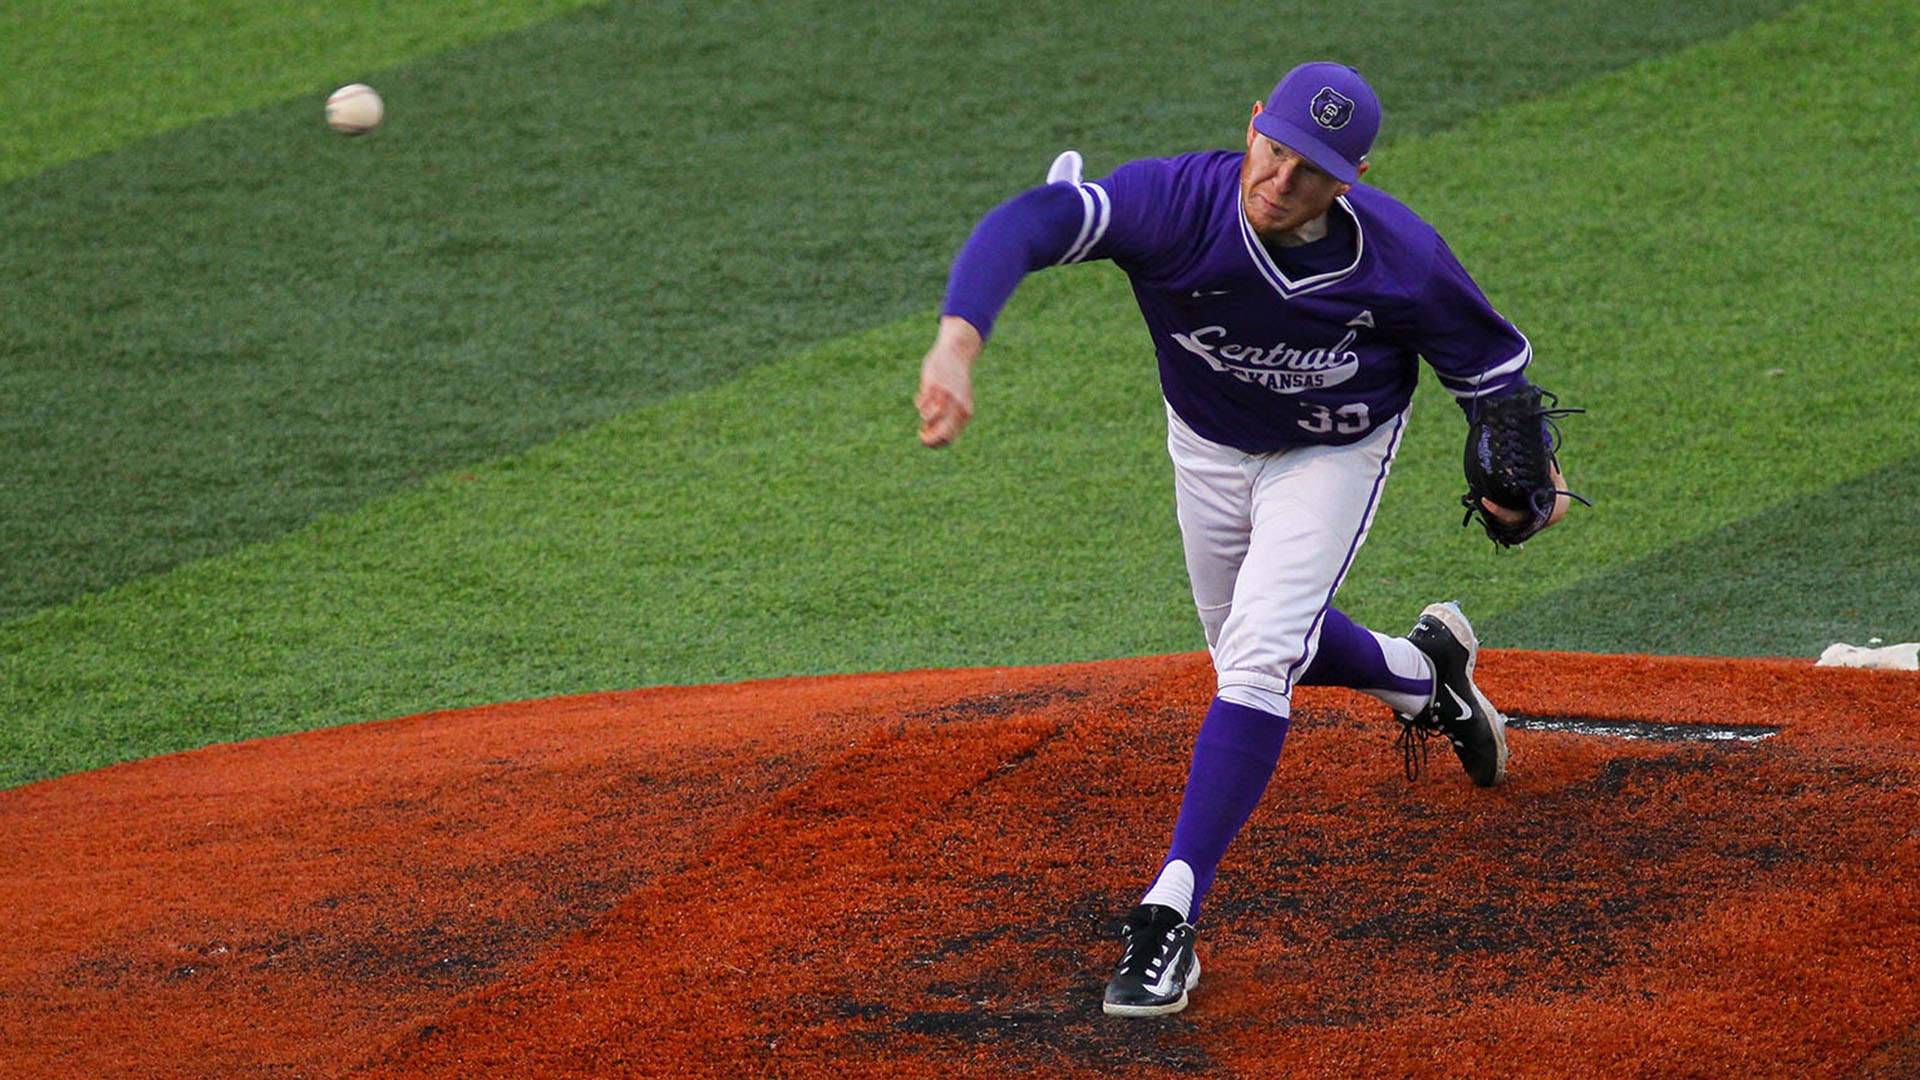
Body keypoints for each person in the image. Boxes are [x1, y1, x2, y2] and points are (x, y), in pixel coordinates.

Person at [913, 61, 1573, 1018]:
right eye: (1273, 149)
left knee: (1259, 660)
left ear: (1347, 180)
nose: (1278, 179)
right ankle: (1426, 678)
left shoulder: (1402, 258)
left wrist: (1534, 484)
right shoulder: (1176, 203)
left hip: (1332, 457)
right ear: (1253, 123)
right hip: (1209, 450)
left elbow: (1496, 380)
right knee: (1250, 647)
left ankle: (1168, 915)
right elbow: (1028, 221)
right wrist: (956, 345)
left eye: (1308, 170)